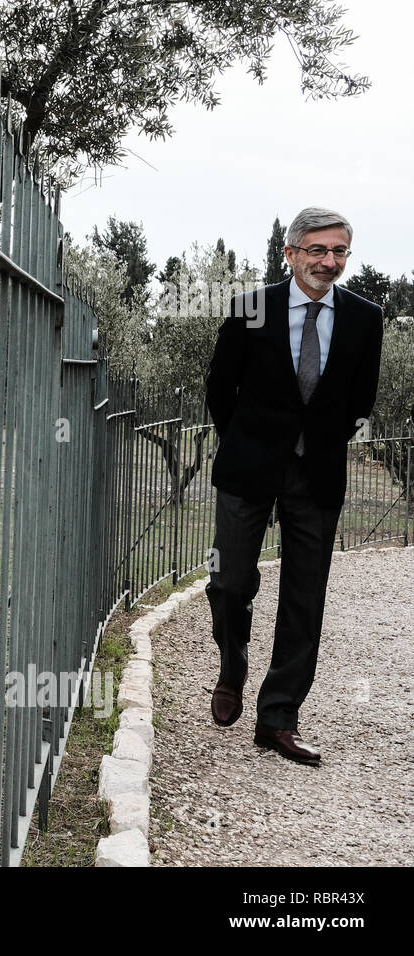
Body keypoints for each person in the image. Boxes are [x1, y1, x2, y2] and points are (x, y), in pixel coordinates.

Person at [203, 206, 384, 765]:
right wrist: (250, 443)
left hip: (318, 473)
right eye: (317, 250)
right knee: (231, 582)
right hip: (248, 468)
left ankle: (278, 717)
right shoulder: (252, 309)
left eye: (339, 252)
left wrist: (316, 443)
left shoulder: (365, 317)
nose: (329, 262)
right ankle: (232, 664)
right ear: (291, 254)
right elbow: (220, 388)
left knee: (305, 599)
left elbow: (361, 400)